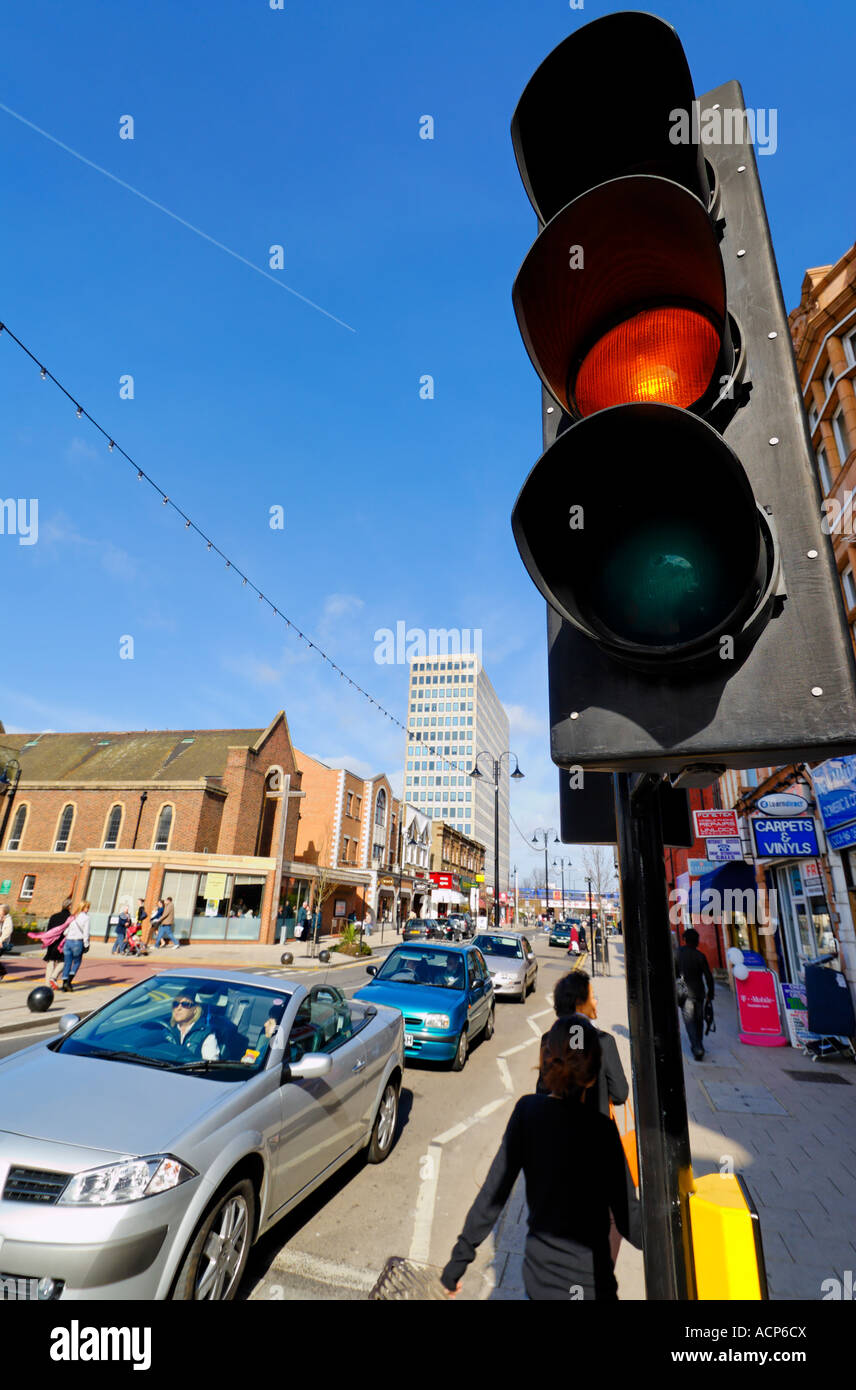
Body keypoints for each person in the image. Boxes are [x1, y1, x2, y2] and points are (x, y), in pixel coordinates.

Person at [442, 1017, 642, 1300]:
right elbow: (630, 1219)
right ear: (593, 1074)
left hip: (540, 1282)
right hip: (593, 1287)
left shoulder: (527, 1113)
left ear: (548, 1062)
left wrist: (457, 1262)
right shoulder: (602, 1132)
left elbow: (492, 1196)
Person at [676, 927, 715, 1061]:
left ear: (685, 940)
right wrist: (711, 993)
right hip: (699, 993)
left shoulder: (678, 954)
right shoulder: (700, 956)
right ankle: (699, 1044)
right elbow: (708, 976)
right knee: (699, 1020)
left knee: (689, 1022)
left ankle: (697, 1047)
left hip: (685, 994)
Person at [28, 897, 74, 988]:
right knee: (64, 961)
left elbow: (48, 930)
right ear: (69, 906)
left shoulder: (54, 916)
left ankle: (47, 985)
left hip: (52, 942)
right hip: (63, 943)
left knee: (50, 962)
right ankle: (54, 976)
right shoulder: (71, 918)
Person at [61, 900, 91, 992]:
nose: (88, 909)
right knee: (77, 962)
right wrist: (86, 944)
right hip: (78, 942)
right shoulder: (86, 918)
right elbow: (86, 933)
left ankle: (64, 983)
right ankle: (69, 982)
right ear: (85, 908)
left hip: (68, 941)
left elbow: (65, 931)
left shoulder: (73, 916)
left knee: (67, 963)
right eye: (88, 907)